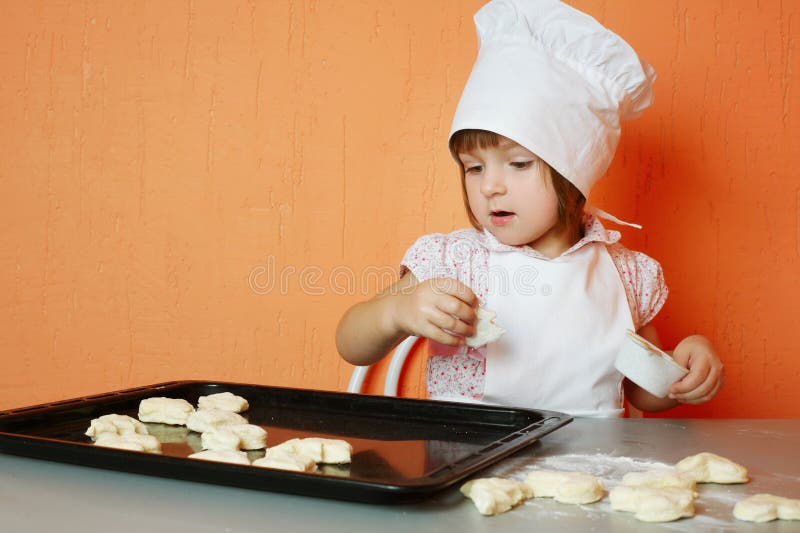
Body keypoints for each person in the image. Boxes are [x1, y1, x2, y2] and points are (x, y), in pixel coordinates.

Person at [336, 0, 724, 416]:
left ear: (574, 174)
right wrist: (397, 312)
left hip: (591, 467)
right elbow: (350, 342)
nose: (489, 186)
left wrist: (683, 369)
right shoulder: (455, 262)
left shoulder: (628, 275)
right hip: (468, 464)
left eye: (519, 164)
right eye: (473, 168)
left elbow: (643, 394)